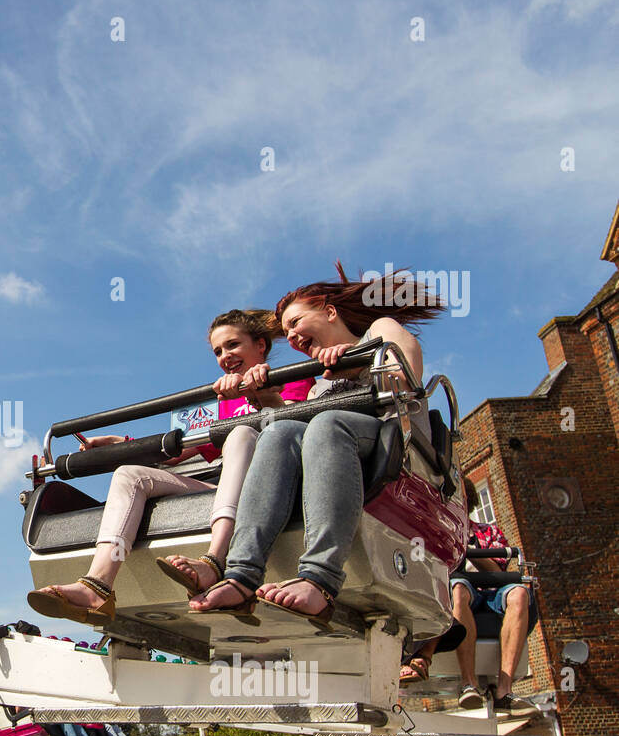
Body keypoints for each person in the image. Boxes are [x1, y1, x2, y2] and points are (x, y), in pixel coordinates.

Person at [189, 263, 445, 628]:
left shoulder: (379, 331)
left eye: (295, 323)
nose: (291, 338)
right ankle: (242, 575)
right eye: (287, 333)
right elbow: (296, 430)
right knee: (278, 432)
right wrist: (263, 396)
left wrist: (356, 364)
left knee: (327, 422)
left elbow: (406, 377)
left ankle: (319, 579)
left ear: (328, 311)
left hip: (392, 442)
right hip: (338, 447)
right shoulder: (318, 382)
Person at [28, 310, 314, 624]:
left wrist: (265, 396)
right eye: (218, 351)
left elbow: (297, 430)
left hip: (273, 487)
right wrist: (119, 444)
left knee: (242, 432)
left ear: (260, 345)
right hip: (228, 490)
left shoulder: (295, 377)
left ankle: (215, 561)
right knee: (130, 475)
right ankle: (98, 585)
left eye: (233, 345)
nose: (225, 356)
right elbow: (178, 453)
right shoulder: (224, 401)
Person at [401, 478, 534, 712]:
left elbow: (496, 570)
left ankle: (505, 689)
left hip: (490, 592)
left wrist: (467, 548)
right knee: (459, 587)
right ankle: (469, 683)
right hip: (460, 593)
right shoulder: (437, 530)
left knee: (520, 593)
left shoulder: (487, 532)